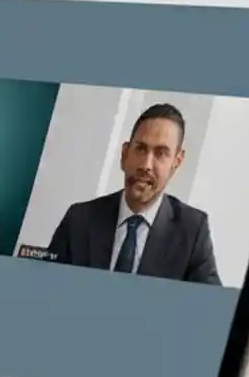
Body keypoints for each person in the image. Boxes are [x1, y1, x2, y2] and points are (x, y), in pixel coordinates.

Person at [46, 103, 220, 284]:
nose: (146, 165)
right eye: (141, 149)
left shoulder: (193, 231)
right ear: (125, 154)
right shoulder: (79, 219)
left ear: (176, 162)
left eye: (161, 153)